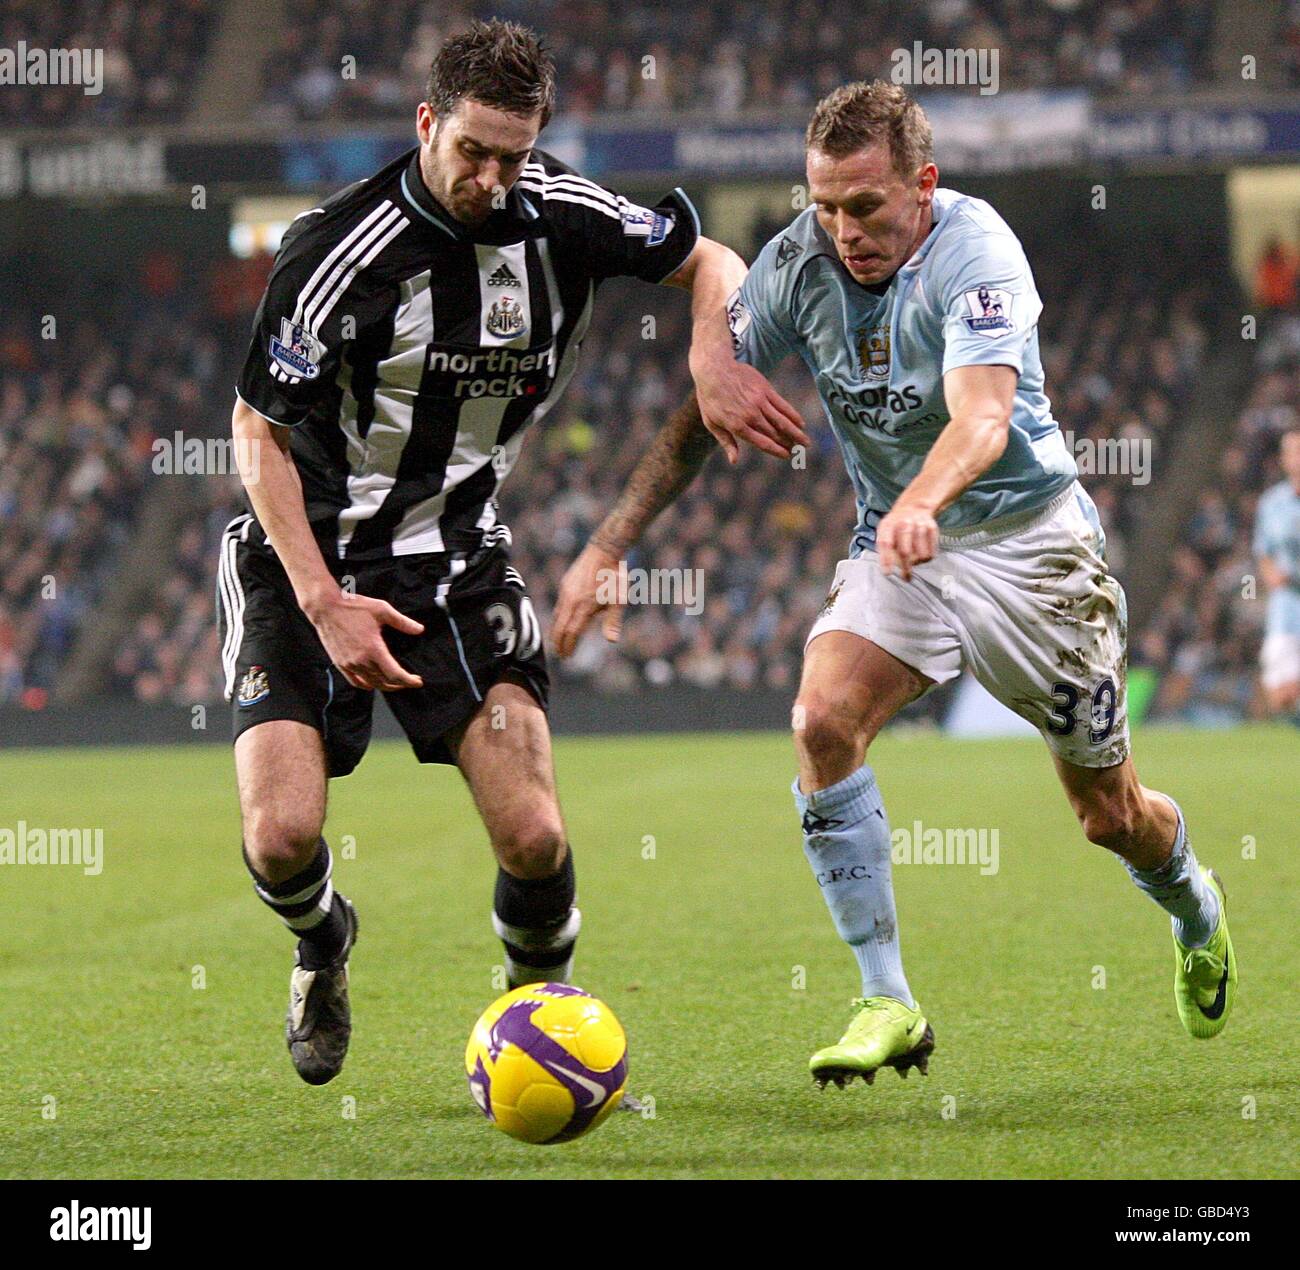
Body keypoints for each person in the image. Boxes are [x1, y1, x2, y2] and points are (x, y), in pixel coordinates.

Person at [554, 81, 1238, 1089]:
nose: (842, 230)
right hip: (898, 544)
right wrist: (611, 541)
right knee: (822, 720)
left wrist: (921, 497)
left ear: (922, 185)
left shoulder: (977, 251)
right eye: (822, 205)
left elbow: (982, 419)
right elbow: (706, 409)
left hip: (1031, 552)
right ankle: (888, 996)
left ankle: (1195, 907)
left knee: (1108, 815)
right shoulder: (799, 261)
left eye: (864, 206)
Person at [219, 19, 801, 1085]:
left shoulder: (563, 214)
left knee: (533, 835)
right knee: (281, 835)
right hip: (305, 555)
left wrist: (712, 353)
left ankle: (542, 1025)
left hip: (456, 557)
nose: (493, 178)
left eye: (515, 154)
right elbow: (254, 432)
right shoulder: (335, 253)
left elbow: (712, 254)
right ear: (426, 122)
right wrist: (320, 600)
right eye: (472, 150)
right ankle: (322, 938)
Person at [1253, 427, 1300, 719]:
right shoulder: (1271, 503)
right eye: (1291, 452)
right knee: (1280, 696)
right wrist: (1272, 576)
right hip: (1287, 606)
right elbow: (1264, 551)